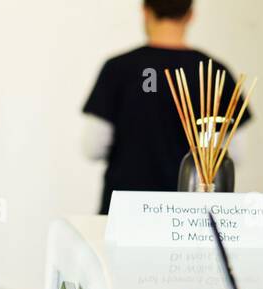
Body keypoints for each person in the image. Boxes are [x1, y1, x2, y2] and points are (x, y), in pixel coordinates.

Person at [82, 0, 251, 213]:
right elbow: (235, 153)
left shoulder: (118, 68)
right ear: (191, 14)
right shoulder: (215, 72)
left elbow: (92, 147)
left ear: (145, 10)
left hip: (126, 213)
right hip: (190, 216)